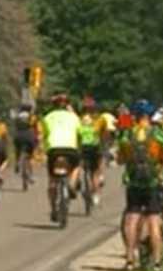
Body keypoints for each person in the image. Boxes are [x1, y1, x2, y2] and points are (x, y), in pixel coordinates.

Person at [117, 99, 163, 271]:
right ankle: (156, 262)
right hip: (152, 182)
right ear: (150, 115)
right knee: (153, 221)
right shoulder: (157, 133)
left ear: (135, 115)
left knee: (131, 219)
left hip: (133, 182)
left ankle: (129, 260)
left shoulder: (128, 133)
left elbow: (120, 159)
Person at [41, 94, 82, 223]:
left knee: (52, 179)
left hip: (53, 149)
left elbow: (44, 135)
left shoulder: (47, 117)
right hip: (70, 148)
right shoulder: (74, 117)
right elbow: (79, 133)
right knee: (76, 166)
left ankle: (53, 208)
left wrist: (43, 149)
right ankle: (71, 184)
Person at [77, 96, 107, 207]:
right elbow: (105, 134)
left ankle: (80, 181)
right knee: (95, 173)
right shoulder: (100, 119)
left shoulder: (79, 119)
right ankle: (95, 195)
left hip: (82, 148)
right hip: (95, 147)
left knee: (81, 167)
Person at [11, 102, 40, 183]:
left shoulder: (17, 117)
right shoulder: (32, 117)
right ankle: (30, 173)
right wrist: (37, 138)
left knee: (17, 149)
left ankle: (17, 162)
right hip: (29, 136)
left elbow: (14, 126)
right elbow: (36, 129)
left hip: (18, 135)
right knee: (30, 155)